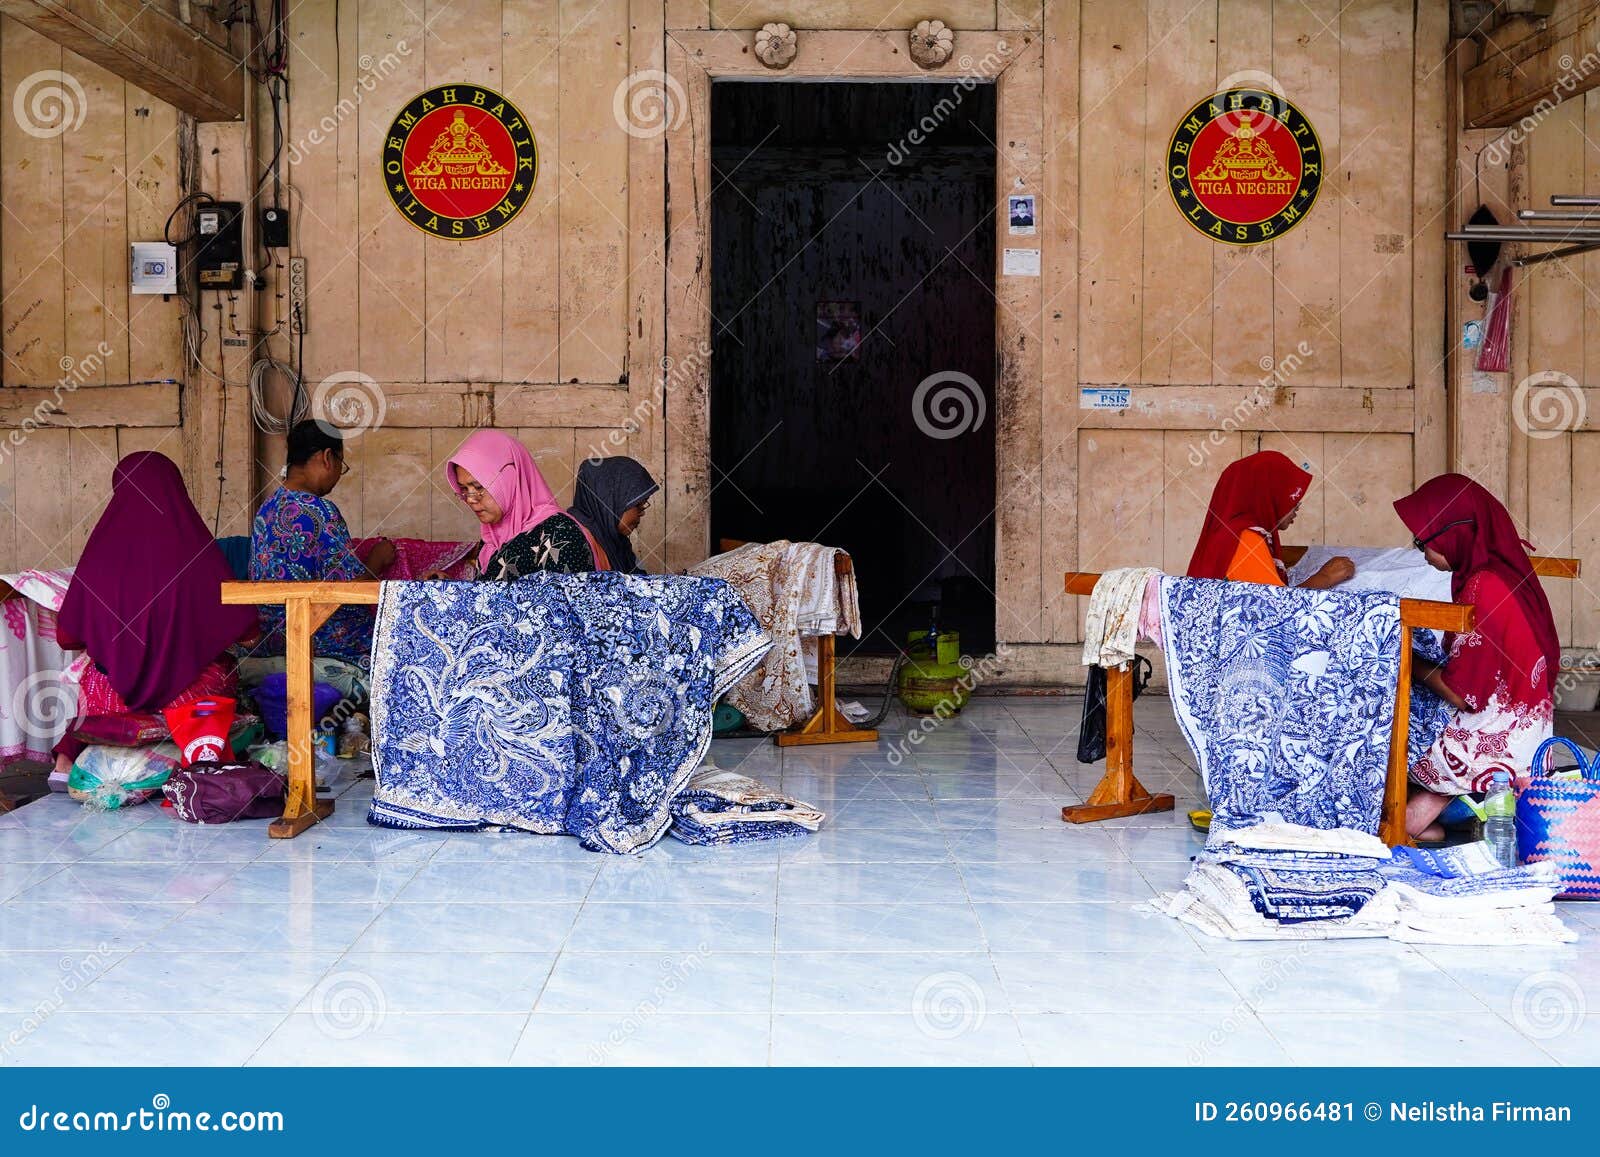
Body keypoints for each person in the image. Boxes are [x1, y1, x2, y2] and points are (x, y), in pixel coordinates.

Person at [52, 452, 259, 778]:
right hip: (188, 697)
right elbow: (249, 635)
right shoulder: (198, 551)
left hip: (112, 698)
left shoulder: (98, 556)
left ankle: (65, 762)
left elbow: (67, 637)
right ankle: (202, 751)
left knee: (91, 673)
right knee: (226, 669)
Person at [1394, 474, 1559, 841]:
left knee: (1389, 730)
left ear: (1456, 533)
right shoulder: (1505, 570)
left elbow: (1461, 694)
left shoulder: (1483, 586)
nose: (1422, 552)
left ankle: (1429, 812)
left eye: (1426, 542)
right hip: (1531, 741)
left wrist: (1407, 660)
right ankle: (1454, 818)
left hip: (1498, 749)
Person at [250, 420, 394, 665]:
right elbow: (351, 592)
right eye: (341, 464)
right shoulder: (320, 511)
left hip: (273, 639)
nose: (338, 473)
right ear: (328, 458)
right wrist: (378, 559)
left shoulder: (267, 508)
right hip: (318, 641)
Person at [442, 430, 598, 579]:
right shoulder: (492, 538)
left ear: (510, 479)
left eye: (478, 487)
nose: (470, 499)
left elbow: (565, 602)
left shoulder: (560, 533)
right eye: (463, 489)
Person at [1186, 450, 1355, 588]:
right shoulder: (1245, 540)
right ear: (1266, 496)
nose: (1297, 506)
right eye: (1290, 497)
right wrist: (1325, 577)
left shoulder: (1233, 533)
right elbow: (1276, 610)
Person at [567, 455, 659, 574]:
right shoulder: (572, 540)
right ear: (611, 501)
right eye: (638, 506)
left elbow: (636, 584)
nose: (642, 513)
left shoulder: (618, 543)